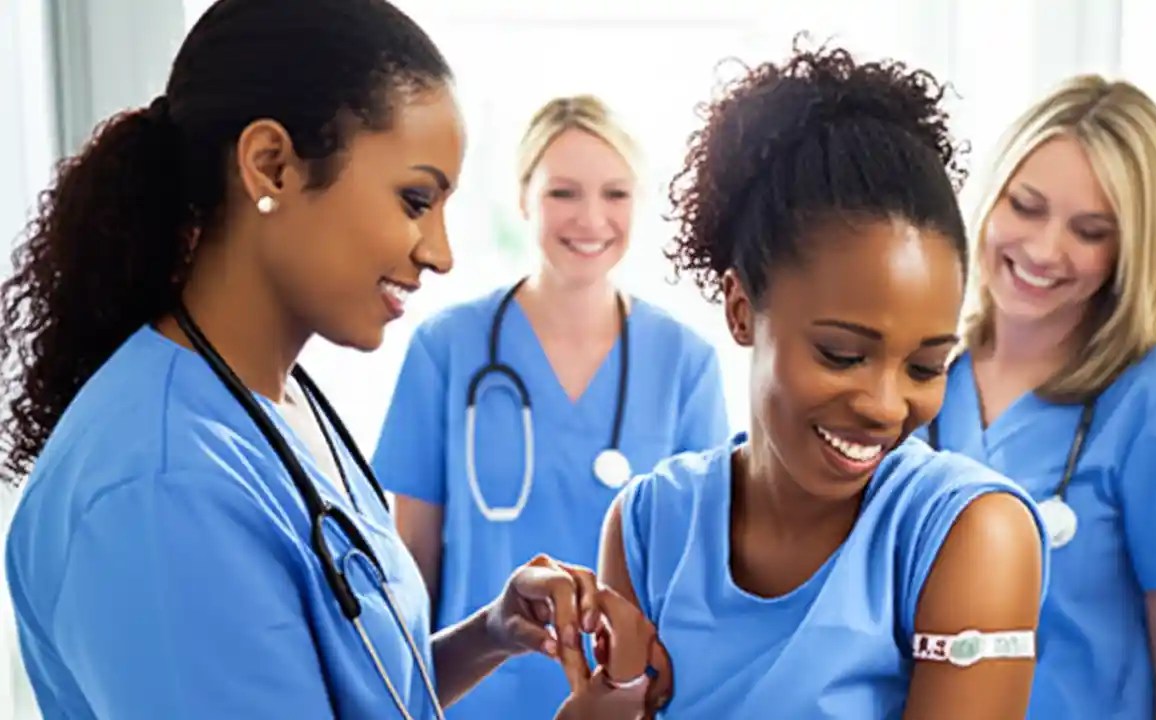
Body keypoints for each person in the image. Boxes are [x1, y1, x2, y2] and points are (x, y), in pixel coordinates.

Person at [0, 1, 668, 718]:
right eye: (415, 200)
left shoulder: (279, 406)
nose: (439, 253)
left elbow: (352, 690)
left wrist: (490, 634)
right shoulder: (159, 490)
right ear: (272, 167)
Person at [596, 39, 1051, 718]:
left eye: (926, 366)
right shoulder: (649, 525)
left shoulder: (971, 534)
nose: (886, 405)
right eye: (843, 353)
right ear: (742, 309)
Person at [373, 93, 728, 719]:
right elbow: (413, 563)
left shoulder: (684, 360)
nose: (591, 218)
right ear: (523, 198)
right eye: (564, 192)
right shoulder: (446, 348)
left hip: (622, 700)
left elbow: (694, 571)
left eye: (615, 194)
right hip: (474, 696)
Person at [922, 75, 1156, 719]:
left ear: (1129, 250)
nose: (1045, 249)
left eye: (1090, 230)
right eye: (1025, 206)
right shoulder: (921, 371)